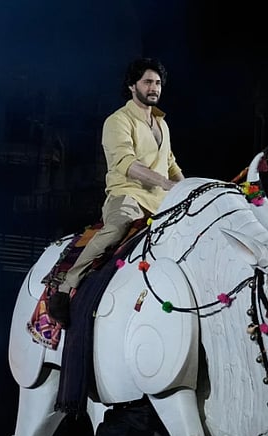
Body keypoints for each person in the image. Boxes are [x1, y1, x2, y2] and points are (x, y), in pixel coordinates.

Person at [49, 56, 185, 325]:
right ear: (132, 86)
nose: (154, 88)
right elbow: (126, 164)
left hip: (161, 202)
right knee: (116, 229)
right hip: (127, 196)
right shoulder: (117, 121)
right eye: (147, 82)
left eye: (157, 83)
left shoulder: (162, 124)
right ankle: (66, 286)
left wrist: (188, 187)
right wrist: (164, 183)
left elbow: (171, 164)